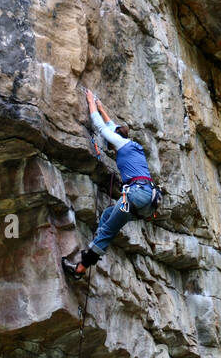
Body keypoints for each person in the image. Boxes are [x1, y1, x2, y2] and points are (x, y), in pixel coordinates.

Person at [63, 90, 161, 281]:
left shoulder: (121, 144)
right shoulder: (132, 145)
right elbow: (111, 126)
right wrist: (101, 107)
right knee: (108, 216)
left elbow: (101, 127)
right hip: (147, 202)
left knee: (107, 232)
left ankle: (80, 268)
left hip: (136, 195)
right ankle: (96, 247)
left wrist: (91, 102)